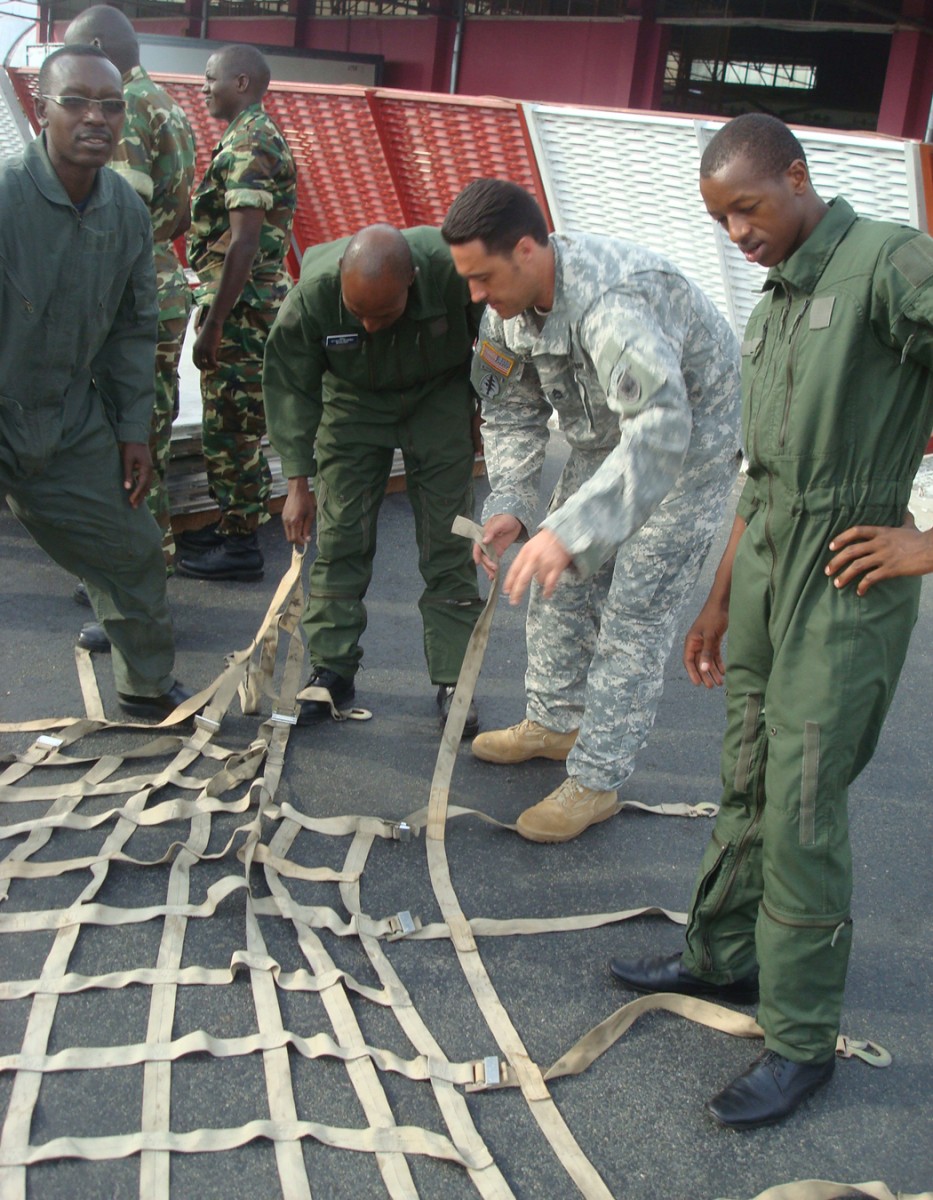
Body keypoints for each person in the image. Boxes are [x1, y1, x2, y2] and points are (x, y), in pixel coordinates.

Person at [608, 113, 933, 1130]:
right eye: (721, 219)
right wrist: (716, 600)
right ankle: (724, 957)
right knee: (744, 770)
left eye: (747, 208)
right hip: (763, 574)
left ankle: (800, 1042)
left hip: (845, 575)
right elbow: (767, 472)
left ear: (797, 177)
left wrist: (929, 536)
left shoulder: (891, 262)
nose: (736, 233)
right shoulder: (778, 300)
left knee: (798, 800)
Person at [440, 179, 742, 842]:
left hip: (687, 443)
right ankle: (554, 722)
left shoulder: (613, 305)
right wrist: (515, 505)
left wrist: (571, 529)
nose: (475, 295)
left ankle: (596, 782)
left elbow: (662, 430)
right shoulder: (505, 308)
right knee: (554, 581)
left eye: (482, 276)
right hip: (607, 436)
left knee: (632, 614)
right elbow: (510, 408)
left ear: (526, 250)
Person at [0, 45, 189, 720]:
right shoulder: (6, 197)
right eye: (75, 101)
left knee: (131, 548)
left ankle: (145, 690)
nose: (96, 118)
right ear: (40, 110)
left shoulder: (126, 211)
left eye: (110, 105)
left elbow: (133, 331)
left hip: (68, 417)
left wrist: (130, 430)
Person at [262, 223, 485, 732]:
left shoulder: (453, 270)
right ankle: (332, 669)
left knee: (450, 538)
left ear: (413, 281)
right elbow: (289, 384)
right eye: (357, 313)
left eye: (383, 314)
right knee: (342, 537)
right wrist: (298, 483)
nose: (370, 325)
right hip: (353, 401)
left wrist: (481, 406)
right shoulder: (314, 296)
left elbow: (497, 335)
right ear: (341, 276)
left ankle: (455, 679)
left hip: (437, 395)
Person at [63, 6, 196, 654]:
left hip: (127, 296)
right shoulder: (165, 102)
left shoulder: (118, 108)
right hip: (163, 279)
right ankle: (137, 574)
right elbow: (179, 208)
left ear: (95, 49)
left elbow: (111, 217)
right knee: (146, 439)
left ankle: (134, 598)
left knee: (124, 443)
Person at [176, 44, 296, 583]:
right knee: (229, 421)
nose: (204, 87)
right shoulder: (244, 134)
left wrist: (217, 323)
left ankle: (241, 543)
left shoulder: (251, 140)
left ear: (241, 82)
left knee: (233, 427)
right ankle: (232, 524)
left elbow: (244, 242)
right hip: (240, 302)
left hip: (243, 310)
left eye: (210, 78)